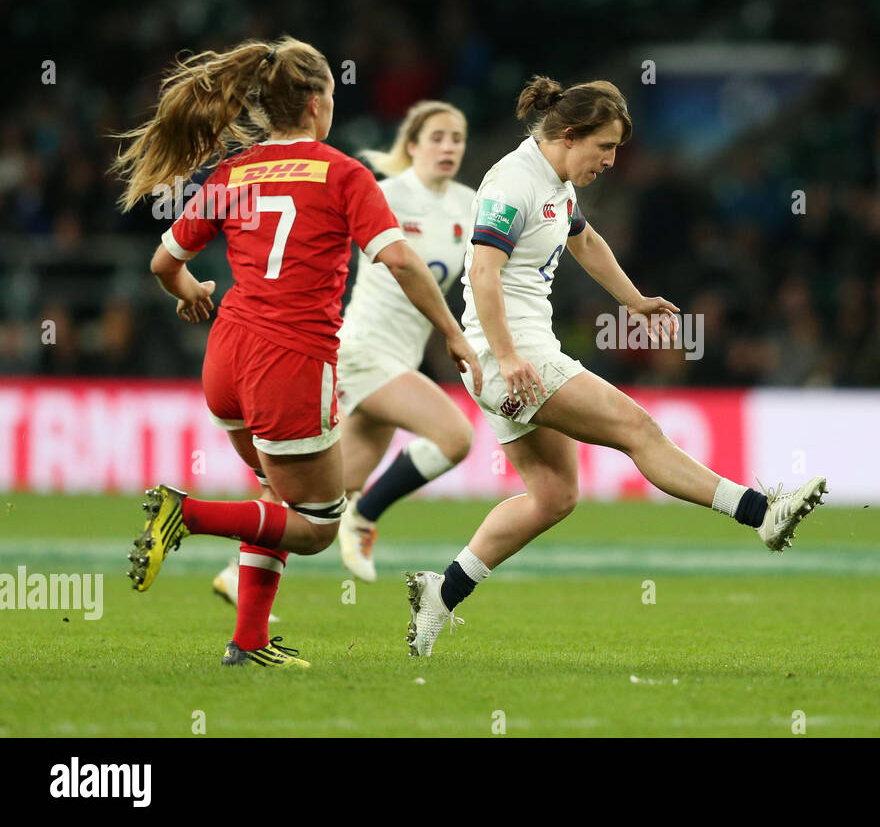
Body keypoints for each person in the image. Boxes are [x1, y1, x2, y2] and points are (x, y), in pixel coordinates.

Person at [404, 75, 829, 655]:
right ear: (571, 134)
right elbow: (482, 273)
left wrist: (632, 299)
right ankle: (760, 513)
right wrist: (505, 356)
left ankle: (442, 593)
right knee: (639, 430)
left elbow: (584, 241)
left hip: (513, 356)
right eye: (604, 148)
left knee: (553, 495)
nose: (609, 161)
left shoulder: (554, 180)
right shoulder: (511, 182)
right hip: (514, 355)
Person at [112, 36, 482, 667]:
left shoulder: (237, 170)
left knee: (273, 497)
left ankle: (249, 642)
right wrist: (452, 330)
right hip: (289, 361)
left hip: (225, 357)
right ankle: (187, 514)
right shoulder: (342, 173)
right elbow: (398, 260)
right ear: (315, 104)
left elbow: (162, 263)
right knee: (315, 528)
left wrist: (193, 290)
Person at [212, 101, 477, 596]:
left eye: (457, 138)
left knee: (326, 496)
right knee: (455, 437)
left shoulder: (469, 204)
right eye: (437, 137)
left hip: (402, 356)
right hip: (360, 348)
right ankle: (366, 520)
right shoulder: (383, 192)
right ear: (412, 145)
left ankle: (238, 574)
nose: (448, 147)